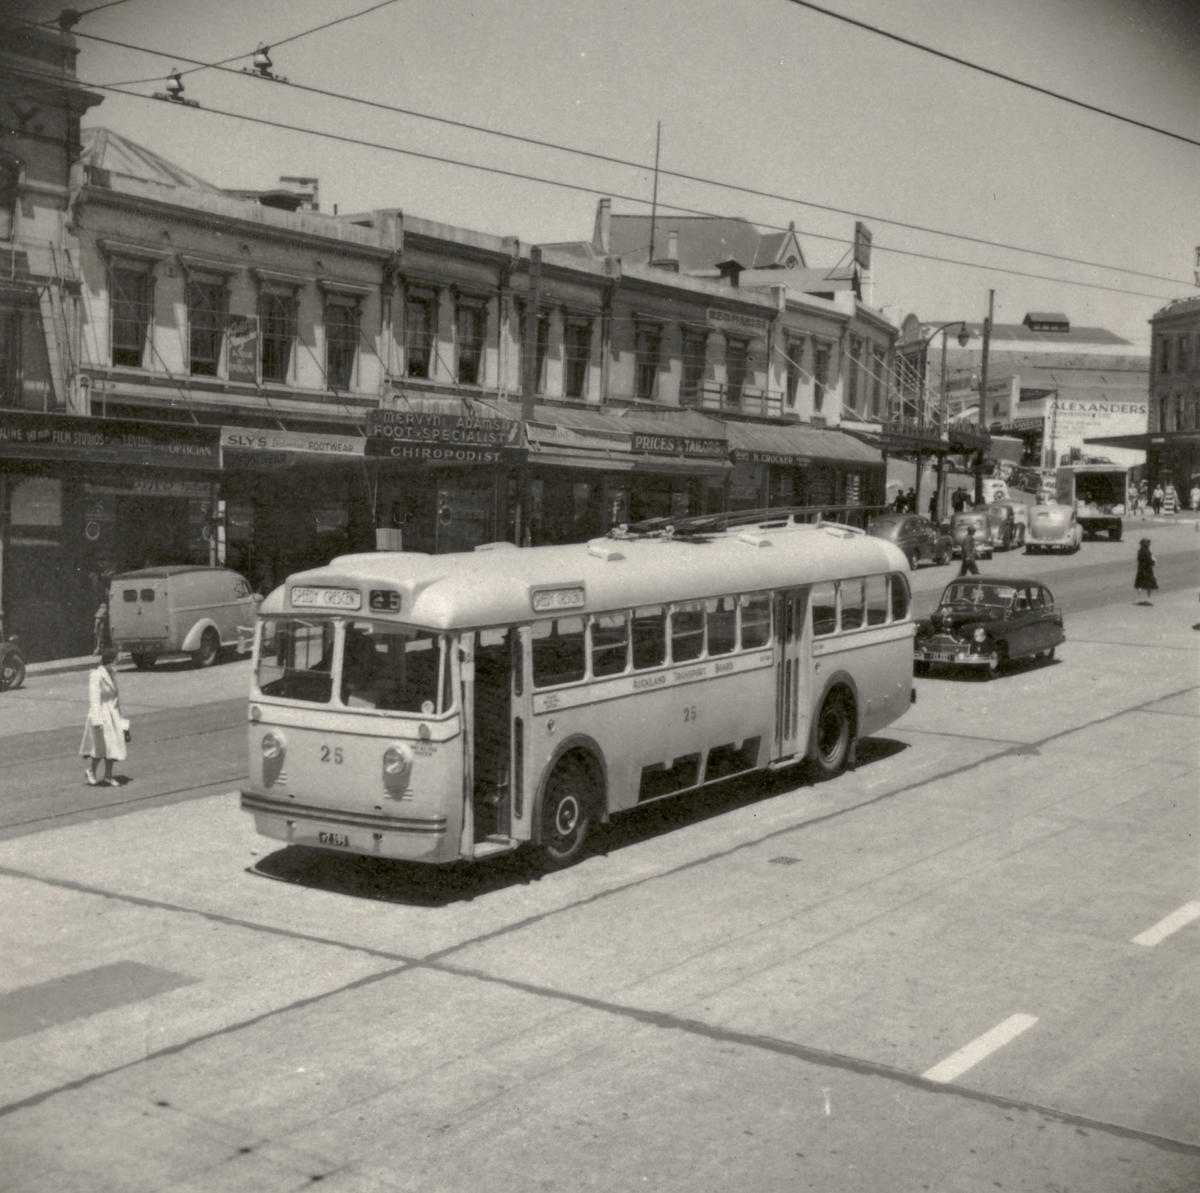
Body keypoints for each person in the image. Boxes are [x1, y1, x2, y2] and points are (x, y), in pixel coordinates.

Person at [79, 646, 128, 786]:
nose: (120, 658)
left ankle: (108, 775)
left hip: (113, 714)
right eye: (118, 656)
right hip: (101, 715)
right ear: (112, 658)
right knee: (100, 747)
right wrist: (97, 720)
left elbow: (116, 700)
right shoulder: (96, 675)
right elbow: (94, 699)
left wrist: (122, 722)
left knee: (113, 746)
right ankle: (91, 771)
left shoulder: (113, 672)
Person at [1134, 538, 1158, 605]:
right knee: (1149, 586)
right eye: (1148, 544)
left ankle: (1139, 599)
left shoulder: (1139, 552)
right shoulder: (1147, 552)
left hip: (1140, 570)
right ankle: (1148, 599)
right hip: (1148, 571)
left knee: (1139, 585)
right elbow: (1150, 561)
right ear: (1146, 545)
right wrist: (1154, 562)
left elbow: (1140, 560)